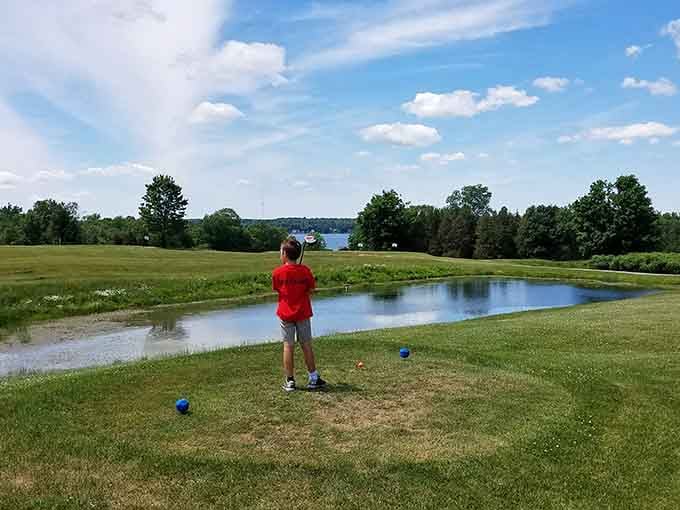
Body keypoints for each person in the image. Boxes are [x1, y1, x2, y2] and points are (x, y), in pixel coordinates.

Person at [272, 238, 326, 392]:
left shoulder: (277, 272)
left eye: (280, 251)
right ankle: (314, 378)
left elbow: (278, 289)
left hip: (285, 314)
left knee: (288, 346)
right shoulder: (306, 271)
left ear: (284, 254)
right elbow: (311, 289)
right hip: (302, 313)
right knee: (306, 344)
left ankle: (290, 381)